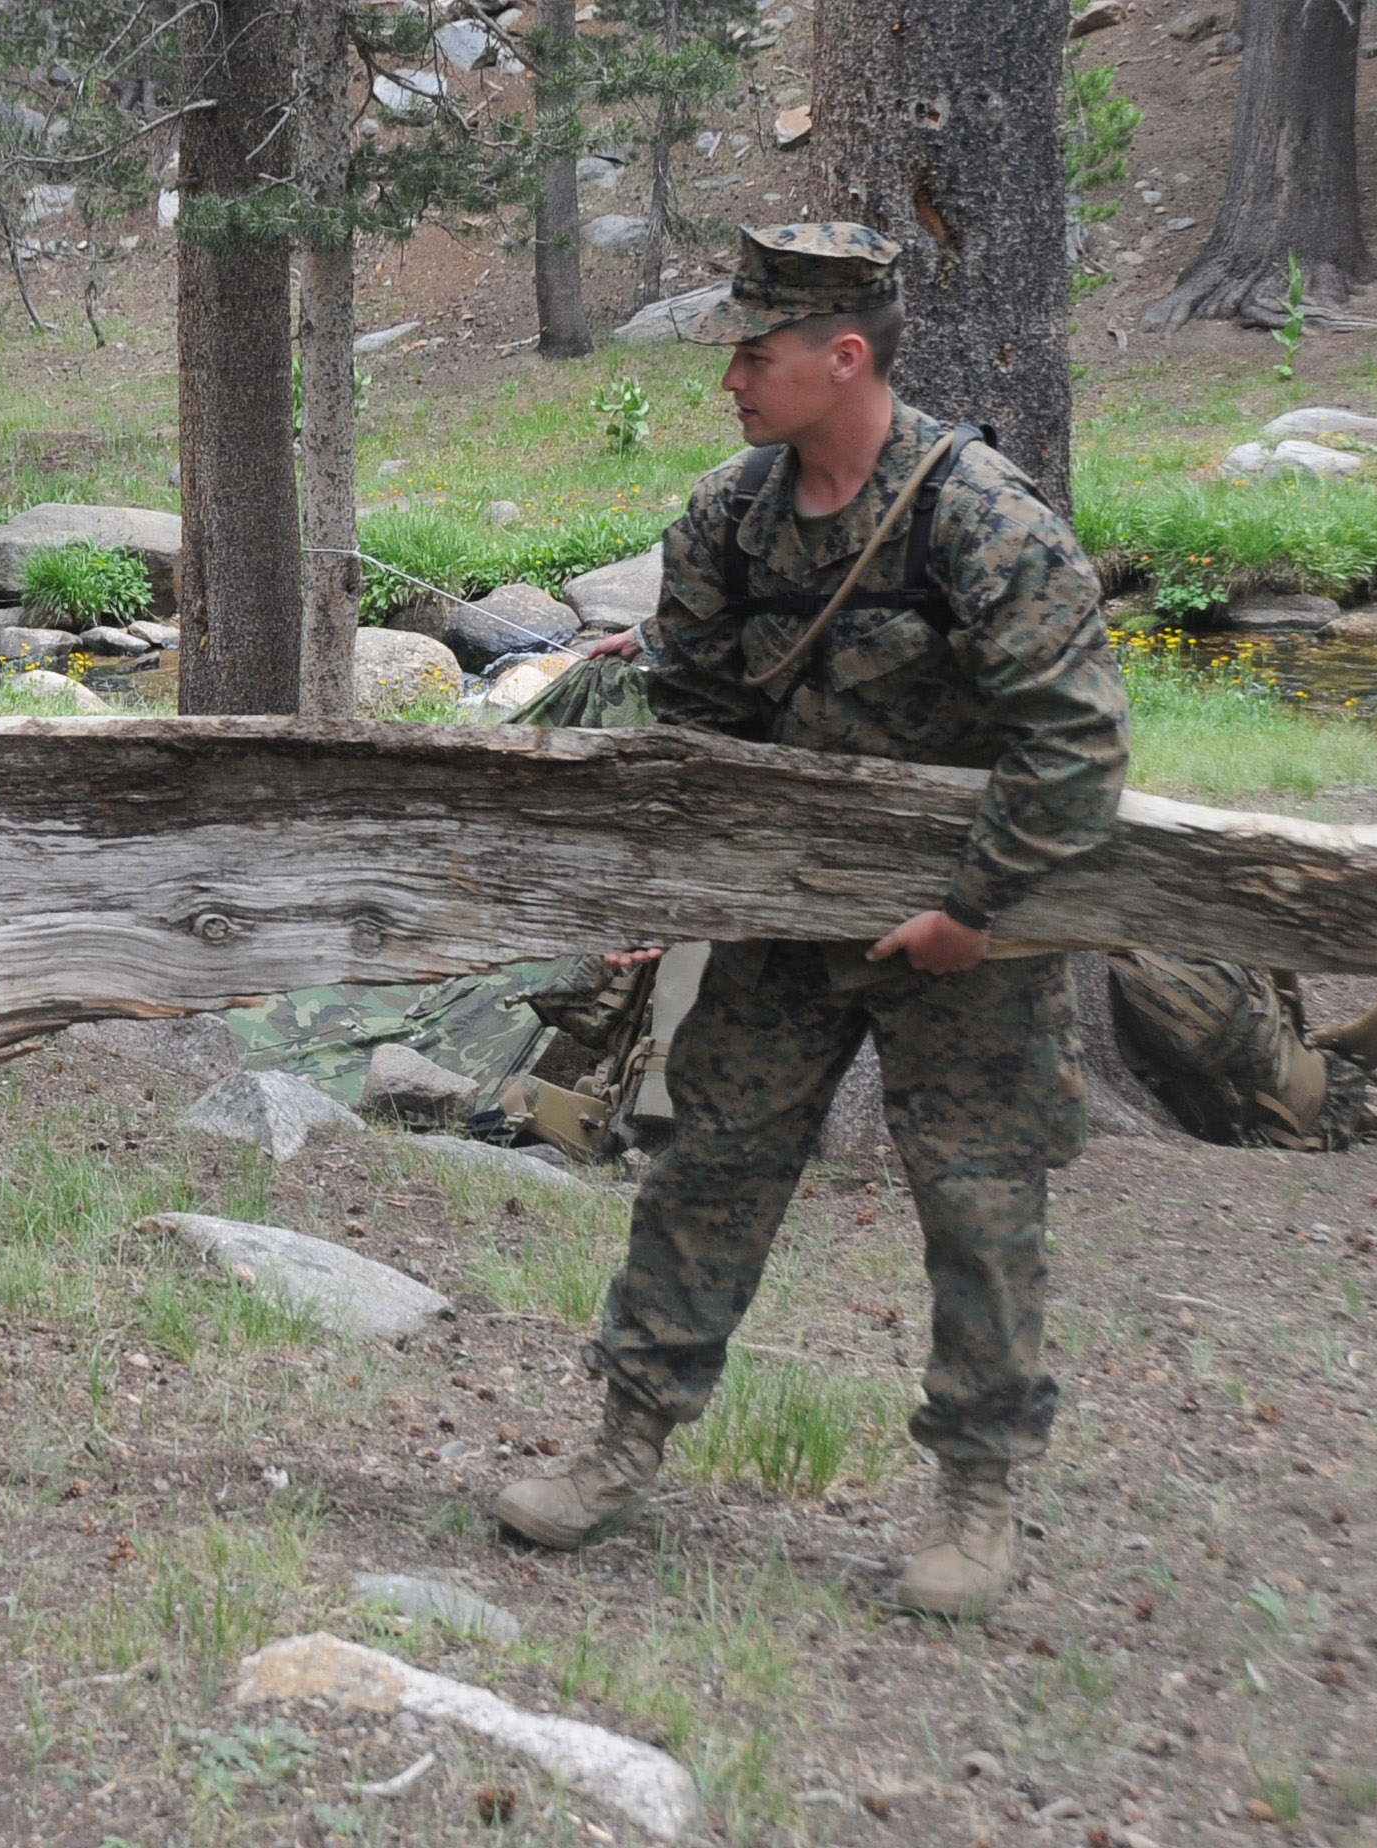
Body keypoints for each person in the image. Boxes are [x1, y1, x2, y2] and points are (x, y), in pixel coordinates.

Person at [486, 224, 1131, 1619]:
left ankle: (979, 1496)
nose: (732, 377)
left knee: (978, 1202)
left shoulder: (983, 518)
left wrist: (968, 911)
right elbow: (699, 717)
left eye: (755, 353)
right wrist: (692, 879)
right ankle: (623, 1440)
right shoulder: (728, 519)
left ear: (846, 357)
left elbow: (1076, 748)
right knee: (710, 1164)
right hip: (787, 926)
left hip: (969, 938)